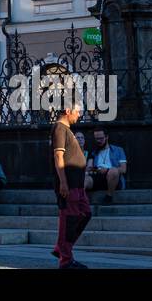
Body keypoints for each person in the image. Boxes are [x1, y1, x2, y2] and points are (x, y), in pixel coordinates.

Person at [52, 102, 90, 269]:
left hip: (78, 185)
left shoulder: (67, 130)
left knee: (85, 213)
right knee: (69, 220)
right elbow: (58, 157)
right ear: (68, 110)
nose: (79, 115)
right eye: (77, 111)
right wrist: (63, 183)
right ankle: (65, 259)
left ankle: (61, 248)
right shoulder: (60, 128)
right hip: (69, 185)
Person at [84, 127, 127, 204]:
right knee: (84, 179)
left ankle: (109, 196)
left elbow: (123, 169)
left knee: (113, 171)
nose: (98, 141)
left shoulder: (118, 150)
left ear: (107, 137)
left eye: (101, 138)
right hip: (97, 176)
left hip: (113, 178)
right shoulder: (93, 152)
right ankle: (79, 201)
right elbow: (89, 168)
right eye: (96, 139)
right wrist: (95, 169)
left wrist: (107, 170)